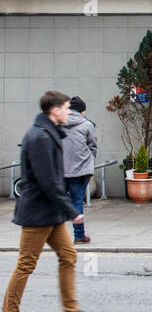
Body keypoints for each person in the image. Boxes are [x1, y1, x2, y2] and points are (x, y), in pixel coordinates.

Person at [1, 91, 103, 312]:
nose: (69, 112)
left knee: (68, 256)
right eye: (66, 108)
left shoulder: (49, 132)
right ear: (54, 110)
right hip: (38, 212)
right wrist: (72, 211)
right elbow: (47, 181)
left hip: (50, 212)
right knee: (26, 263)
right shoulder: (39, 137)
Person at [62, 95, 97, 244]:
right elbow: (93, 146)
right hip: (79, 170)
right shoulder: (87, 125)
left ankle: (49, 235)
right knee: (77, 201)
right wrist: (88, 161)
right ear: (82, 111)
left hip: (60, 169)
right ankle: (79, 235)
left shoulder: (57, 123)